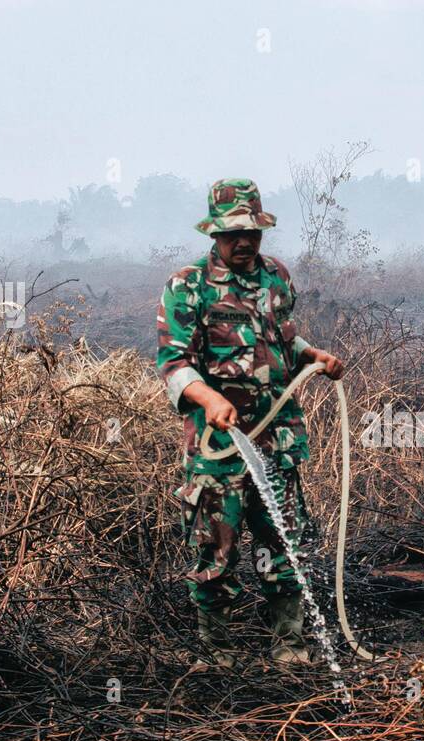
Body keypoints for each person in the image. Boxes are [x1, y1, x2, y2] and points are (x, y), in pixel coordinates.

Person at [156, 178, 344, 667]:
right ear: (214, 234)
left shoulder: (276, 277)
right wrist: (209, 398)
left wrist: (313, 356)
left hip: (277, 443)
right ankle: (216, 652)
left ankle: (290, 646)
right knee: (215, 552)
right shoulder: (187, 287)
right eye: (233, 233)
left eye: (252, 233)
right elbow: (174, 364)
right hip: (217, 450)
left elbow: (285, 341)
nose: (243, 242)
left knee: (284, 545)